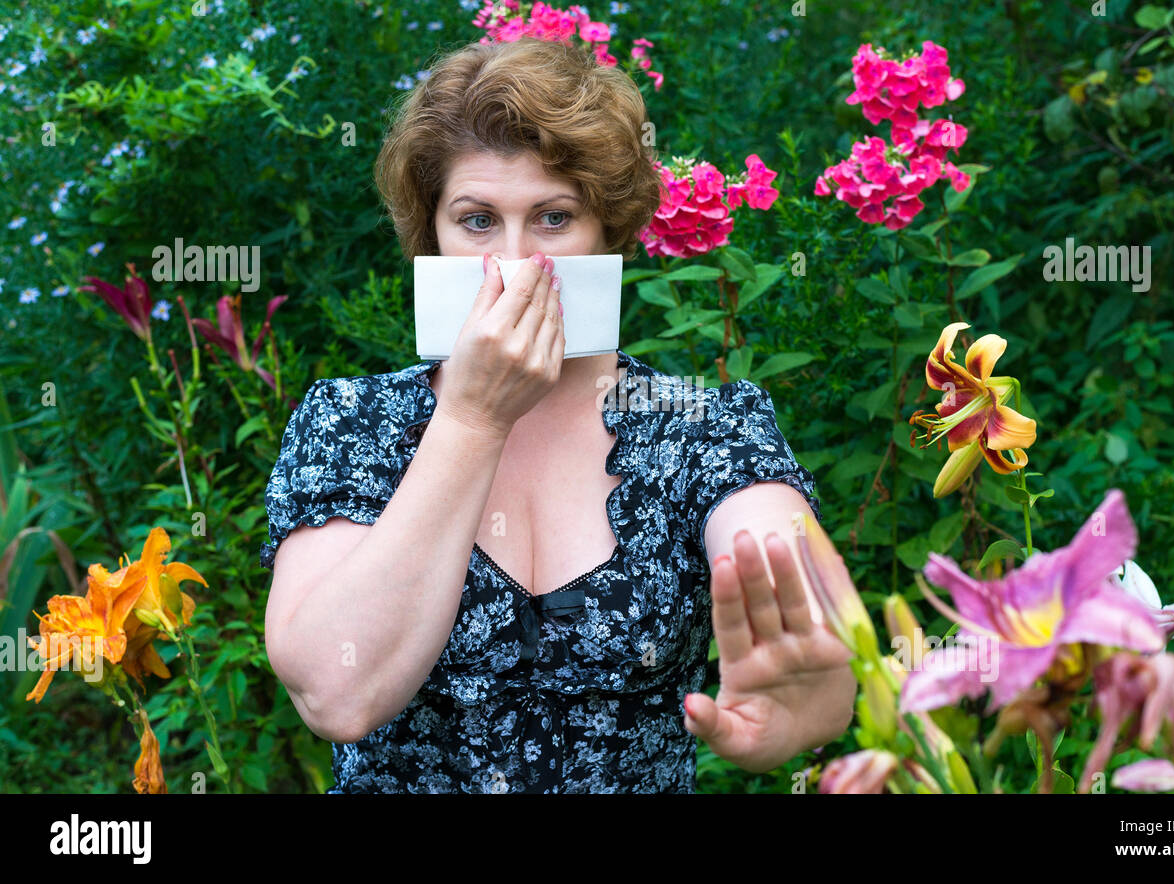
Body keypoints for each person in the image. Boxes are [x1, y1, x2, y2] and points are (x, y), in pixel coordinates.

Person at [260, 36, 855, 793]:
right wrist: (474, 419)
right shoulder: (351, 423)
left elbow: (787, 571)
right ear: (432, 235)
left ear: (607, 228)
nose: (515, 264)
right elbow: (335, 694)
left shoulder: (700, 428)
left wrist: (819, 692)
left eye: (552, 218)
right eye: (477, 220)